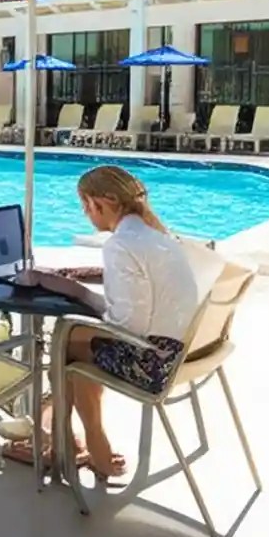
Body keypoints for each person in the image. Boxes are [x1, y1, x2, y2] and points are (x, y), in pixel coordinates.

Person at [61, 165, 199, 478]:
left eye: (85, 206)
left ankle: (81, 443)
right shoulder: (158, 236)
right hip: (183, 353)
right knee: (77, 342)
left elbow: (126, 326)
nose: (86, 214)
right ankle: (73, 437)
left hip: (154, 365)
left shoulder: (120, 245)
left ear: (100, 203)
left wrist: (76, 293)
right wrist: (85, 287)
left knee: (66, 340)